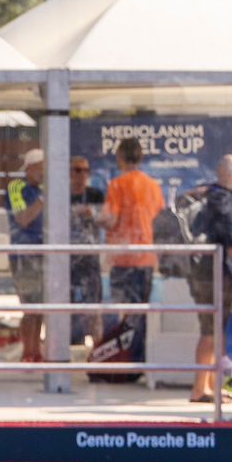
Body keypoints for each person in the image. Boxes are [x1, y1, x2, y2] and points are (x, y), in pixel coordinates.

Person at [184, 154, 232, 405]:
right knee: (211, 330)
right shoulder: (224, 199)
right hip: (213, 273)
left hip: (202, 270)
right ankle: (200, 388)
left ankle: (209, 386)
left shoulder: (208, 194)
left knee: (214, 329)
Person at [98, 137, 164, 367]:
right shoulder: (153, 186)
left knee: (122, 313)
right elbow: (159, 220)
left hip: (123, 257)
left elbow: (110, 219)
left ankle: (123, 359)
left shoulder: (117, 185)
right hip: (146, 256)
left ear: (121, 157)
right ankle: (140, 357)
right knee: (141, 312)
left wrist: (94, 217)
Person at [6, 150, 48, 365]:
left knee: (40, 305)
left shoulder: (41, 190)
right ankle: (28, 351)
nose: (44, 173)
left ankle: (36, 351)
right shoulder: (17, 187)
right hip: (24, 254)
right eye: (41, 167)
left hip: (43, 253)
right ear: (31, 167)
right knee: (30, 306)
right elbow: (22, 219)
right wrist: (42, 200)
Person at [67, 157, 107, 354]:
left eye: (85, 171)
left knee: (94, 303)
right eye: (77, 170)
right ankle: (66, 347)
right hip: (67, 257)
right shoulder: (62, 196)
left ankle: (98, 349)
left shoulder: (96, 195)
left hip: (90, 257)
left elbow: (106, 220)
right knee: (66, 301)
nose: (82, 175)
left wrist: (93, 215)